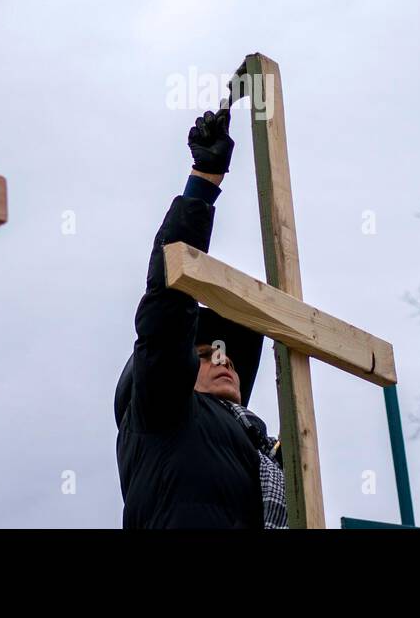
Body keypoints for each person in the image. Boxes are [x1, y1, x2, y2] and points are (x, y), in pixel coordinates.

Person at [114, 108, 286, 528]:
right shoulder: (167, 411)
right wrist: (203, 184)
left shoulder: (269, 455)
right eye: (207, 353)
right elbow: (169, 297)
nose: (224, 360)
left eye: (226, 355)